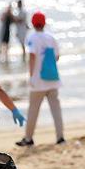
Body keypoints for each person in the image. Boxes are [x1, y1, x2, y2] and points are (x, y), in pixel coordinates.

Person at [16, 11, 65, 147]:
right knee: (56, 110)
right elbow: (57, 57)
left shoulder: (32, 37)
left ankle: (28, 138)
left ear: (32, 23)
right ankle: (60, 138)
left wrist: (31, 76)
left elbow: (32, 56)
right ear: (44, 23)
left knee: (33, 110)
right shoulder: (51, 37)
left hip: (38, 82)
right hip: (53, 80)